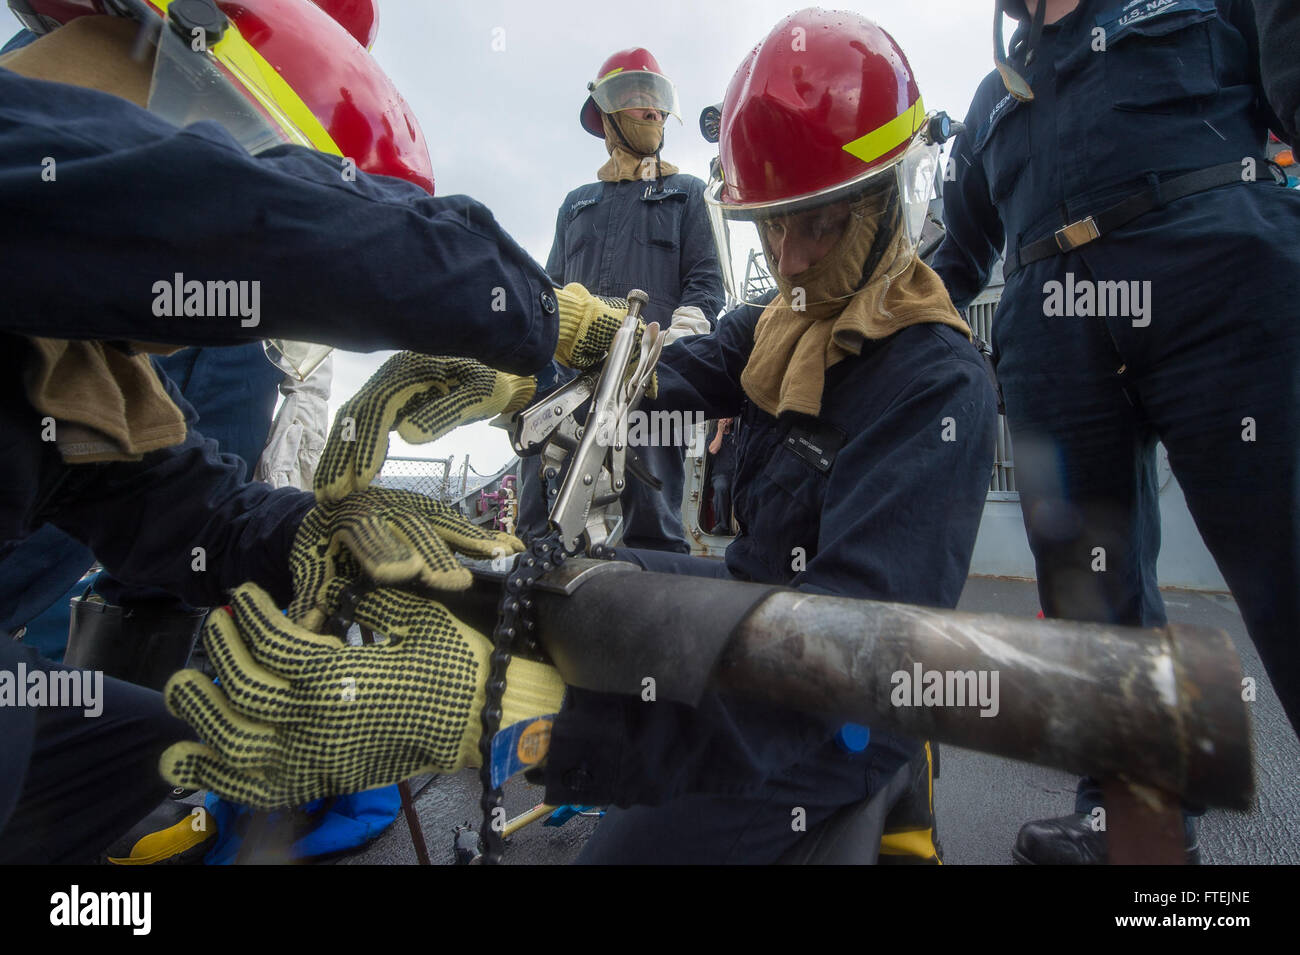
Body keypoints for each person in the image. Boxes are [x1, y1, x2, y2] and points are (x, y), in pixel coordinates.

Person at [162, 9, 999, 865]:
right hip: (757, 615)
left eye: (815, 225)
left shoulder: (937, 386)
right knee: (546, 586)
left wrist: (549, 727)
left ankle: (894, 780)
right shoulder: (785, 322)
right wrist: (525, 375)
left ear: (886, 200)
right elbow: (662, 376)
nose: (785, 258)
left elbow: (843, 673)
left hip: (832, 719)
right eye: (770, 225)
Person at [0, 0, 579, 861]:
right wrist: (551, 319)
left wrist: (323, 537)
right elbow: (235, 216)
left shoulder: (67, 365)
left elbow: (198, 517)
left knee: (157, 740)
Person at [932, 0, 1300, 864]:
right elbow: (954, 259)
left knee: (1288, 555)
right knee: (1092, 595)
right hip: (1052, 330)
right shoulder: (992, 101)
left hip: (1225, 282)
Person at [517, 48, 725, 553]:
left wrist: (666, 354)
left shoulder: (688, 195)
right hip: (565, 392)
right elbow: (549, 294)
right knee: (539, 527)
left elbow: (705, 286)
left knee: (650, 533)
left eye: (657, 102)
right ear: (607, 116)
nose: (653, 111)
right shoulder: (576, 205)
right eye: (637, 100)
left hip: (648, 388)